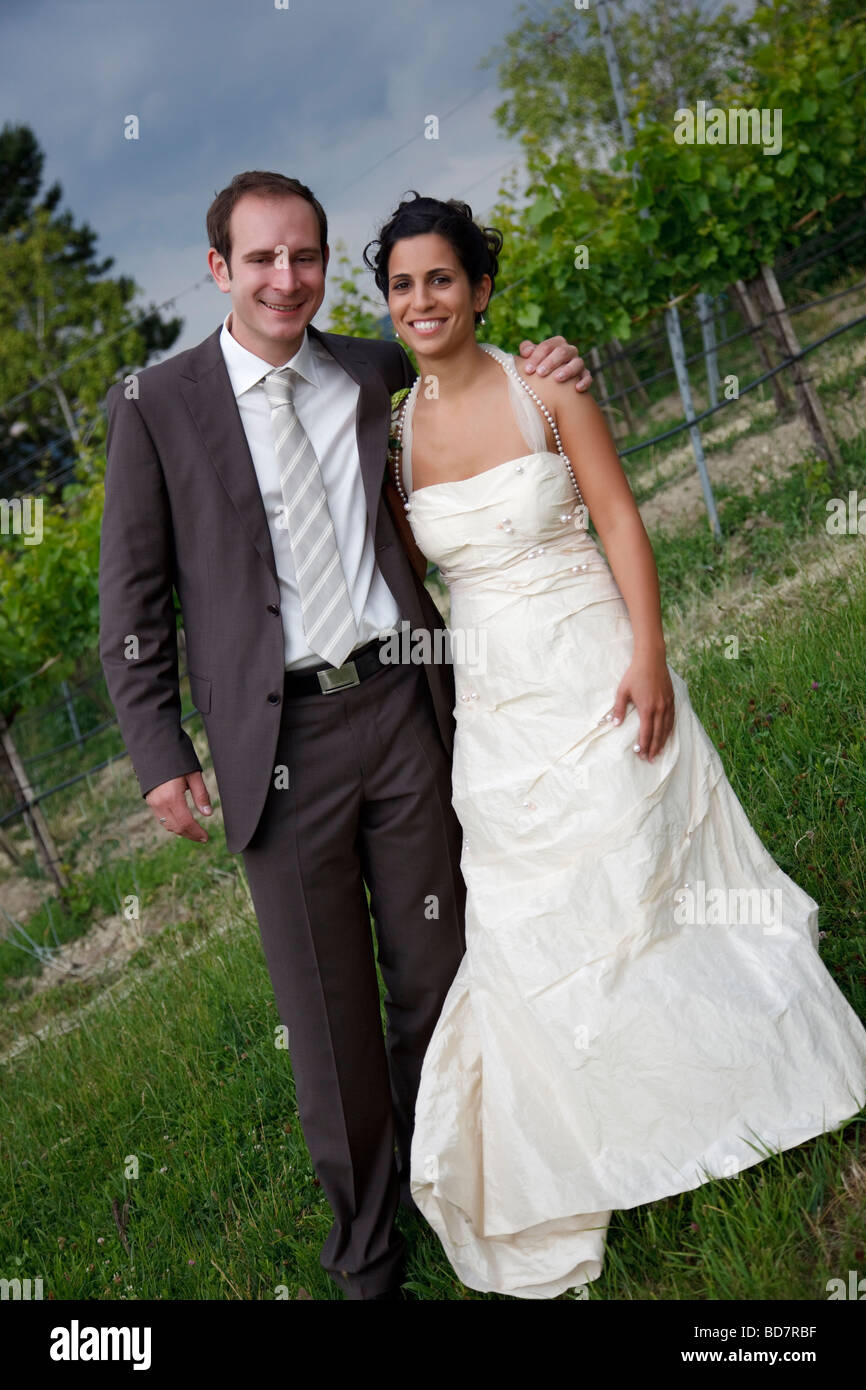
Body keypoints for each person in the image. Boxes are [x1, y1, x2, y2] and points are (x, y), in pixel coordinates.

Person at [97, 169, 593, 1301]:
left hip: (406, 710)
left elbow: (475, 374)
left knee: (438, 969)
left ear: (326, 269)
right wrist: (158, 752)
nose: (287, 279)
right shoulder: (155, 405)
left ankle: (461, 1179)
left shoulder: (371, 372)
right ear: (218, 267)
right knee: (326, 1020)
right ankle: (366, 1252)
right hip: (279, 751)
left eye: (306, 257)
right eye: (262, 259)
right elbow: (129, 601)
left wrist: (554, 365)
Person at [365, 191, 866, 1299]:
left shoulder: (545, 387)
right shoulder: (395, 431)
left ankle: (730, 1081)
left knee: (645, 863)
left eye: (440, 278)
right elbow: (429, 574)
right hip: (496, 698)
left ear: (480, 287)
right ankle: (605, 1111)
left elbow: (618, 514)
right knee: (539, 906)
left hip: (592, 648)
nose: (421, 300)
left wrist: (647, 650)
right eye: (401, 285)